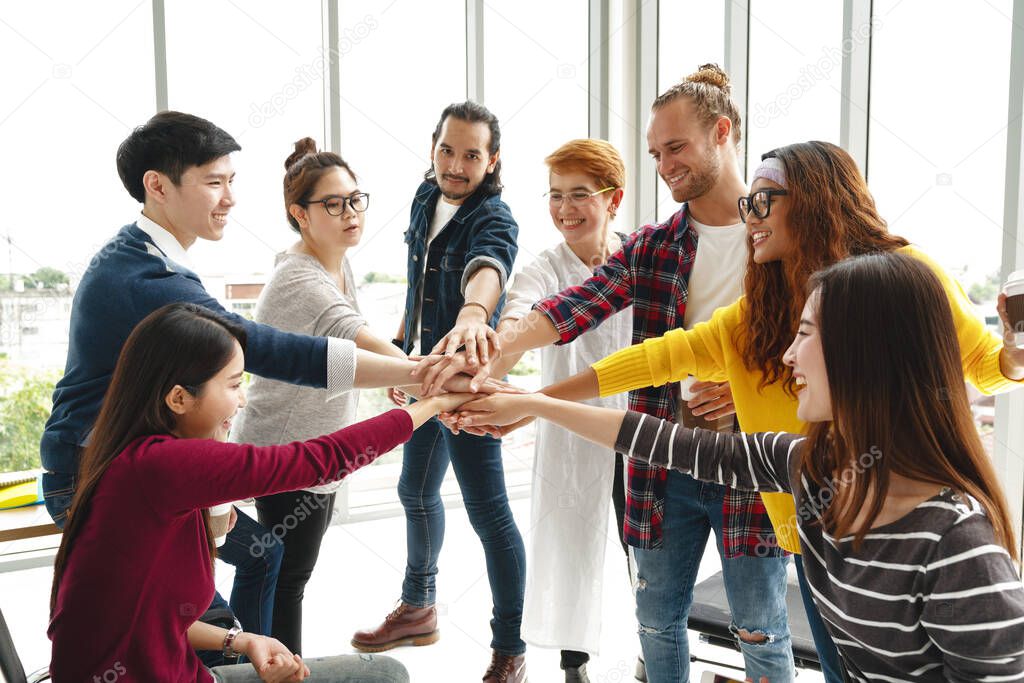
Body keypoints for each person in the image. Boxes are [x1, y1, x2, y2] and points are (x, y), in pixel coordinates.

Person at [469, 140, 1024, 681]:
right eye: (747, 204)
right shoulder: (773, 353)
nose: (749, 217)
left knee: (778, 635)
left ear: (813, 200)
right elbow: (658, 374)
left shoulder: (901, 282)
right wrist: (536, 402)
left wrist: (1015, 354)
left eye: (763, 202)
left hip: (876, 509)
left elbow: (985, 366)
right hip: (810, 522)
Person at [39, 111, 480, 659]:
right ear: (157, 185)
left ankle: (246, 652)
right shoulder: (144, 279)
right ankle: (234, 656)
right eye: (214, 182)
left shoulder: (149, 257)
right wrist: (423, 378)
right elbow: (269, 350)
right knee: (189, 625)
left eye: (232, 182)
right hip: (90, 472)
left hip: (129, 462)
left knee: (259, 556)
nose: (229, 199)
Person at [422, 67, 795, 682]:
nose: (664, 164)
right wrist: (483, 345)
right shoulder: (654, 247)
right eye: (655, 153)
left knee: (760, 631)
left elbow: (813, 341)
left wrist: (749, 386)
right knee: (655, 626)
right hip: (659, 465)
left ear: (722, 134)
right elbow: (568, 310)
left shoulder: (779, 238)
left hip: (750, 468)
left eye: (675, 148)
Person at [48, 303, 476, 682]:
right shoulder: (160, 465)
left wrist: (241, 640)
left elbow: (157, 621)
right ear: (178, 398)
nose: (242, 400)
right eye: (233, 385)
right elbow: (319, 460)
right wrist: (432, 404)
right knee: (385, 674)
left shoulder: (142, 466)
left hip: (182, 671)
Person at [350, 101, 527, 683]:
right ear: (434, 146)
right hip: (419, 372)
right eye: (447, 150)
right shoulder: (426, 197)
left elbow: (489, 266)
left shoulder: (494, 216)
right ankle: (419, 606)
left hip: (463, 386)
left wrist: (475, 312)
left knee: (490, 515)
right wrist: (401, 351)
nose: (456, 164)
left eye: (471, 155)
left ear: (491, 159)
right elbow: (418, 283)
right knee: (415, 491)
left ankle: (510, 648)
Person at [455, 138, 633, 682]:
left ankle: (655, 643)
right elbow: (518, 318)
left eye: (579, 194)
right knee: (568, 542)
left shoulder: (638, 259)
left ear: (614, 199)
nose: (564, 209)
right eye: (555, 195)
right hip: (569, 427)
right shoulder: (546, 267)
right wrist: (482, 365)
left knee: (644, 547)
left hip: (638, 428)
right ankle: (573, 661)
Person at [230, 138, 417, 654]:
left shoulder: (335, 260)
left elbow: (359, 344)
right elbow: (355, 336)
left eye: (355, 199)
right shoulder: (298, 280)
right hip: (290, 451)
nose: (351, 213)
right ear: (300, 214)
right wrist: (424, 374)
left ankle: (260, 663)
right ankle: (275, 667)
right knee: (287, 578)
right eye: (333, 204)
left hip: (314, 448)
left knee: (282, 574)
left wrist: (405, 374)